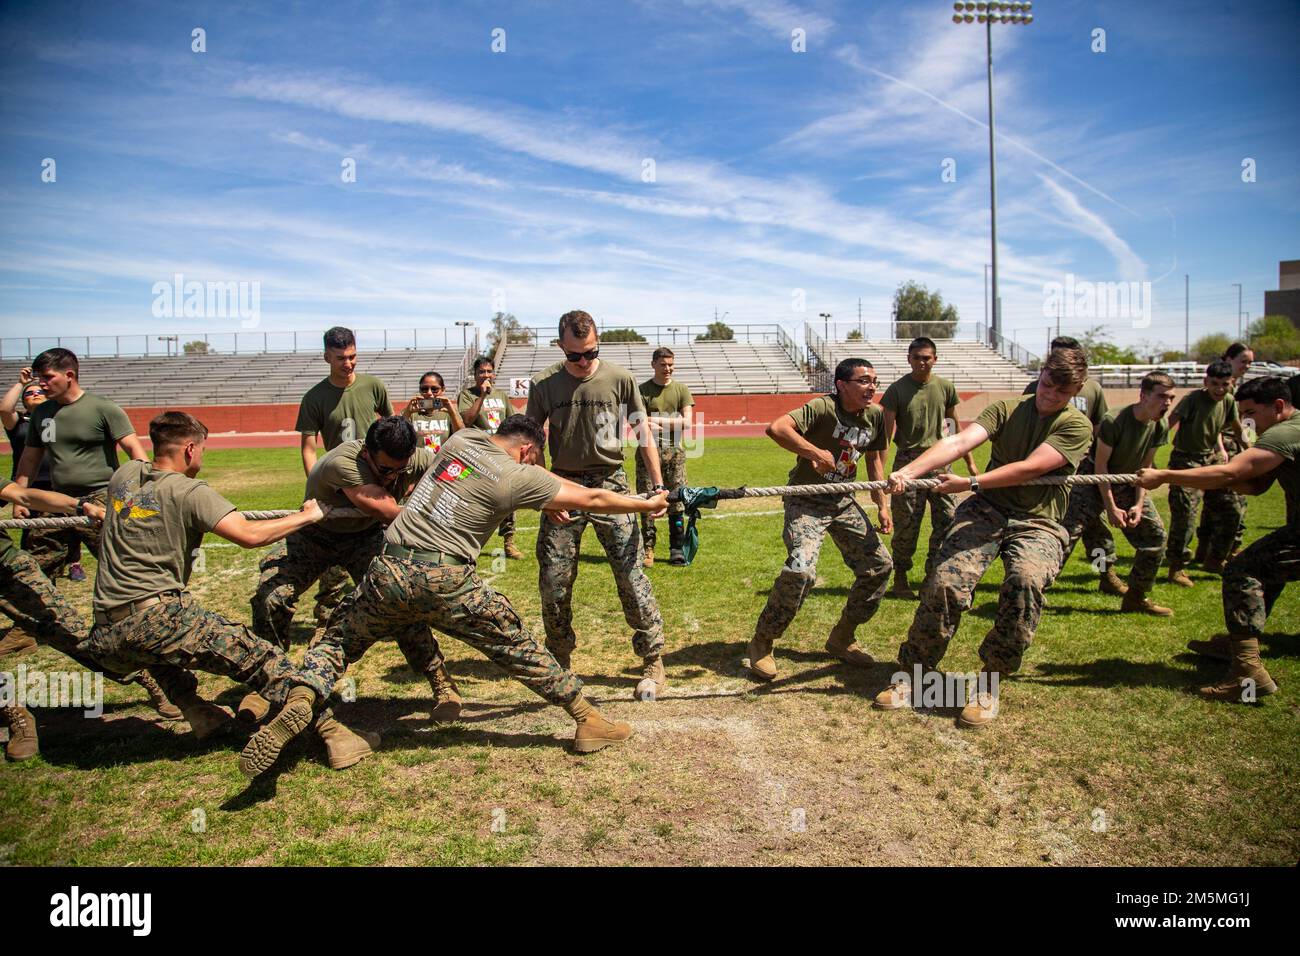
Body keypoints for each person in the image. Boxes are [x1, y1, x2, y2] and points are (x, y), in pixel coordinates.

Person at [240, 416, 669, 776]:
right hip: (447, 577)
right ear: (529, 451)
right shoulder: (519, 475)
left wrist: (542, 495)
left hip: (389, 565)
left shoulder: (461, 438)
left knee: (338, 641)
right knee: (514, 644)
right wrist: (644, 505)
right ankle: (587, 719)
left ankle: (302, 697)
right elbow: (593, 496)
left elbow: (492, 481)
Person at [77, 411, 377, 768]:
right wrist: (307, 516)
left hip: (104, 635)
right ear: (189, 449)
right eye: (202, 448)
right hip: (157, 616)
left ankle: (200, 715)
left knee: (157, 656)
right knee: (265, 660)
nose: (203, 456)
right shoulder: (189, 491)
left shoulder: (123, 477)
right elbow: (249, 535)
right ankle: (333, 734)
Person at [875, 348, 1093, 727]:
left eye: (1060, 392)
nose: (1048, 395)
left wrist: (969, 482)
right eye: (1045, 384)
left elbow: (1029, 468)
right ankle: (914, 673)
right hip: (986, 510)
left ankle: (990, 681)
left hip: (1038, 521)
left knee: (1025, 582)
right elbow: (957, 443)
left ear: (1075, 390)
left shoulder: (1077, 425)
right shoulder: (1007, 409)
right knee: (946, 583)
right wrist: (908, 471)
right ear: (1039, 374)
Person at [250, 416, 463, 720]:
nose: (393, 476)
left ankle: (441, 681)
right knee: (270, 598)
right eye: (386, 470)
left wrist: (430, 487)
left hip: (363, 536)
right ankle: (267, 681)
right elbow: (387, 509)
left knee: (399, 599)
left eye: (401, 469)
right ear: (367, 453)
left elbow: (458, 471)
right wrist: (423, 508)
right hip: (313, 533)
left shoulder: (412, 458)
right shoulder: (344, 462)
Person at [10, 348, 177, 717]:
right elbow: (31, 457)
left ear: (69, 374)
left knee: (132, 580)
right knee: (29, 574)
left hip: (103, 502)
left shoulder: (103, 409)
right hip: (55, 503)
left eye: (48, 377)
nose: (41, 384)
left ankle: (168, 684)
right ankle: (27, 629)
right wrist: (20, 492)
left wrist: (139, 495)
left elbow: (135, 453)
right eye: (38, 378)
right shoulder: (41, 414)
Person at [525, 310, 670, 696]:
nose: (584, 362)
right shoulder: (543, 385)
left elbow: (643, 434)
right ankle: (560, 660)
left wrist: (657, 486)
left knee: (631, 575)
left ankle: (653, 657)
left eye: (591, 353)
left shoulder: (620, 379)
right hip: (563, 486)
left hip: (612, 486)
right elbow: (531, 446)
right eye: (575, 356)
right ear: (560, 348)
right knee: (554, 581)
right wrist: (544, 495)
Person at [1137, 376, 1297, 703]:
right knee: (1265, 571)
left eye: (1252, 414)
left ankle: (1247, 672)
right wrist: (1231, 477)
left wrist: (1164, 475)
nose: (1249, 422)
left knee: (1241, 572)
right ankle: (1240, 639)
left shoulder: (1285, 432)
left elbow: (1231, 474)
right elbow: (1255, 485)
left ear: (1279, 407)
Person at [747, 358, 893, 682]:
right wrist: (815, 453)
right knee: (800, 570)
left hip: (843, 500)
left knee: (879, 566)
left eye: (875, 381)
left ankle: (842, 637)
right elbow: (777, 428)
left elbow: (875, 462)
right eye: (864, 381)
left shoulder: (876, 416)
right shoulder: (823, 408)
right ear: (842, 384)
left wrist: (882, 505)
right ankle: (763, 641)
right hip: (806, 500)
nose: (872, 387)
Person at [0, 477, 112, 760]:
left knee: (73, 636)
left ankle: (157, 683)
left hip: (7, 570)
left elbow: (24, 496)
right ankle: (17, 716)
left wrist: (81, 505)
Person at [295, 327, 394, 630]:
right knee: (333, 561)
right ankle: (328, 617)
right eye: (340, 358)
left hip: (374, 483)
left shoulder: (373, 386)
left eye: (352, 357)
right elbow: (308, 448)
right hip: (338, 483)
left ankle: (381, 617)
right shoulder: (314, 397)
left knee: (378, 556)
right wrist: (317, 482)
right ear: (327, 356)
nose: (348, 364)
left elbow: (391, 427)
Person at [1060, 372, 1176, 616]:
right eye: (1162, 396)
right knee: (1066, 537)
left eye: (1171, 398)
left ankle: (1135, 596)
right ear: (1143, 396)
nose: (1167, 403)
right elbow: (1101, 467)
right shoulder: (1114, 420)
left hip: (1127, 481)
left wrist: (1138, 503)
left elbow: (1144, 469)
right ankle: (1030, 592)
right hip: (1093, 479)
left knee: (1155, 537)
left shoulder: (1160, 425)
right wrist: (1111, 507)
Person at [880, 337, 978, 598]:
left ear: (935, 359)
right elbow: (887, 435)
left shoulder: (945, 387)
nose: (921, 362)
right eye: (916, 357)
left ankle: (932, 576)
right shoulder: (896, 390)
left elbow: (955, 427)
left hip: (941, 461)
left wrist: (969, 462)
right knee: (907, 523)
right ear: (908, 359)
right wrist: (881, 469)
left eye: (927, 357)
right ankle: (900, 577)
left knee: (946, 520)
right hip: (908, 462)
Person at [1024, 336, 1119, 595]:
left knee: (1095, 527)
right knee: (1065, 526)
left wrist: (1099, 461)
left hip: (1084, 470)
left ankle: (1104, 572)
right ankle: (1042, 578)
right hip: (1052, 469)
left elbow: (1100, 427)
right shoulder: (1035, 387)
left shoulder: (1092, 389)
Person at [1163, 360, 1238, 587]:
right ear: (1206, 382)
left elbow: (1231, 428)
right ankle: (1177, 567)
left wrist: (1227, 448)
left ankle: (1215, 559)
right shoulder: (1193, 399)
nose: (1219, 389)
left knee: (1231, 508)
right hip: (1185, 460)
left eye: (1224, 384)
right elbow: (1169, 423)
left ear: (1231, 383)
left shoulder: (1228, 401)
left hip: (1211, 460)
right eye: (1214, 384)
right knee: (1185, 515)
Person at [1193, 343, 1253, 570]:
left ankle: (1215, 551)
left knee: (1220, 505)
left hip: (1235, 449)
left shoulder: (1240, 389)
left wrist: (1251, 445)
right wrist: (1221, 449)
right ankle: (1214, 554)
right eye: (1243, 361)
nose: (1247, 366)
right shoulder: (1221, 392)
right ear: (1228, 359)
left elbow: (1245, 424)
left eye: (1249, 362)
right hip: (1221, 453)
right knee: (1228, 505)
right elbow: (1216, 425)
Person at [457, 357, 521, 559]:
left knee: (507, 498)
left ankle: (509, 542)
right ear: (475, 375)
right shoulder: (466, 395)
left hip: (501, 454)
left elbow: (512, 420)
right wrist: (482, 397)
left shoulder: (502, 395)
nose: (485, 375)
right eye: (481, 372)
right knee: (475, 496)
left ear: (494, 374)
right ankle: (466, 543)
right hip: (479, 453)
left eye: (489, 372)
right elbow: (466, 420)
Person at [636, 347, 694, 567]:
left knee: (677, 500)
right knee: (648, 499)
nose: (668, 368)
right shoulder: (641, 391)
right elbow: (641, 426)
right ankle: (647, 549)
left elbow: (687, 423)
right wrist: (669, 423)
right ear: (653, 365)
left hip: (675, 454)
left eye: (671, 364)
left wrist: (657, 423)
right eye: (663, 364)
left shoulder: (681, 390)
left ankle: (676, 548)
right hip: (646, 454)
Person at [402, 371, 465, 454]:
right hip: (418, 462)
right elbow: (399, 437)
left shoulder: (449, 412)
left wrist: (453, 413)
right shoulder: (410, 412)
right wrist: (407, 414)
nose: (429, 393)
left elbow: (462, 436)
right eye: (424, 389)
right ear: (420, 390)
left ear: (443, 390)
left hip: (442, 462)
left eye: (434, 389)